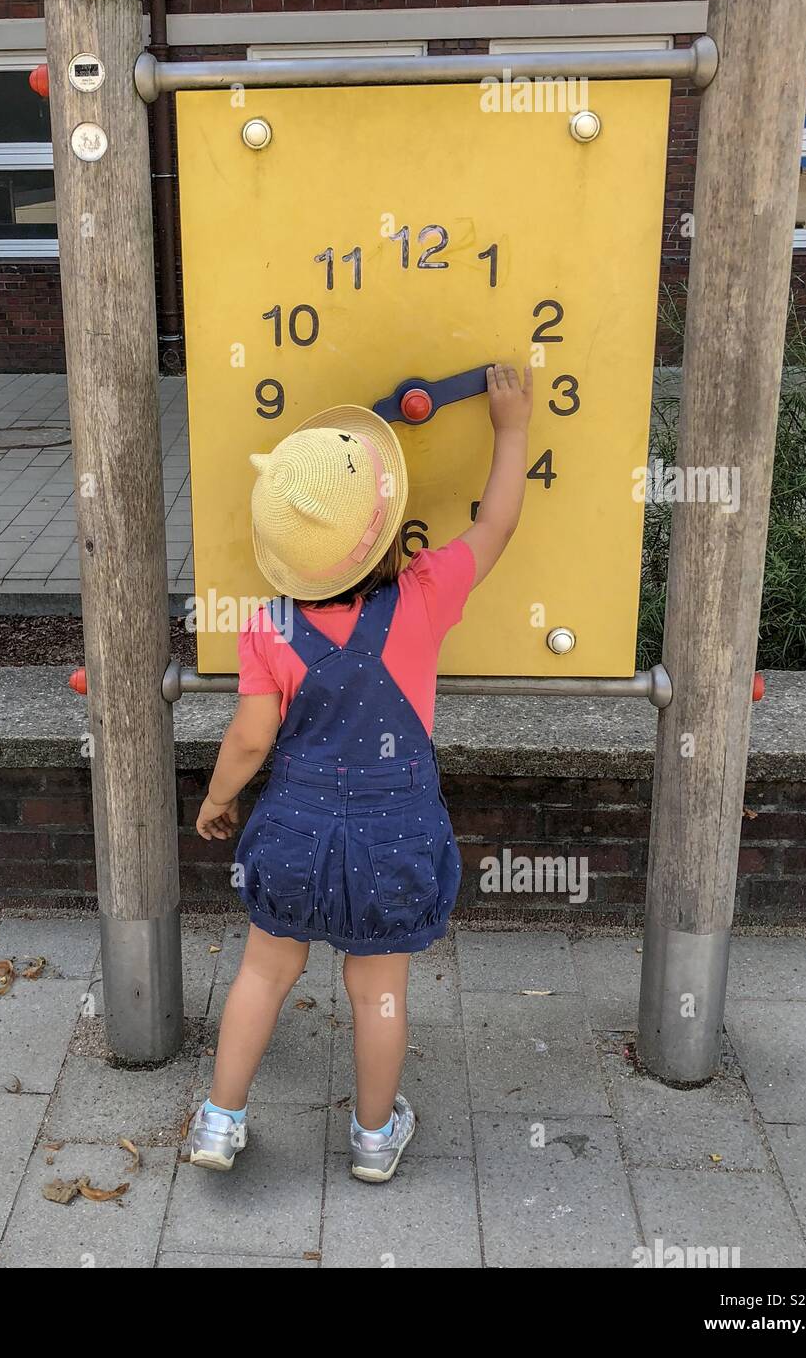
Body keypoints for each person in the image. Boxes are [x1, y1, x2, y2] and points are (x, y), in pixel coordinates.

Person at [189, 365, 533, 1182]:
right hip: (396, 835)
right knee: (378, 992)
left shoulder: (267, 626)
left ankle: (219, 1120)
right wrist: (511, 430)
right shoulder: (424, 594)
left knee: (264, 974)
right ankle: (375, 1140)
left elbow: (249, 737)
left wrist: (216, 798)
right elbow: (500, 527)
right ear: (387, 530)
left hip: (293, 834)